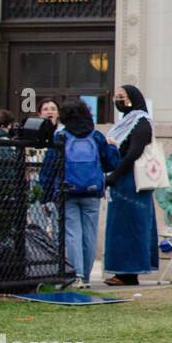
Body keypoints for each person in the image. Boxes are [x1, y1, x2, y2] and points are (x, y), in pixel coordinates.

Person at [40, 97, 114, 286]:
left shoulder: (61, 137)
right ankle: (86, 277)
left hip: (67, 192)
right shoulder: (95, 136)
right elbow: (110, 164)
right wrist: (112, 146)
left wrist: (45, 195)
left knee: (72, 233)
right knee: (89, 234)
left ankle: (76, 275)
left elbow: (49, 168)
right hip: (92, 192)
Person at [103, 85, 160, 285]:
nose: (118, 100)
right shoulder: (124, 122)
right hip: (121, 180)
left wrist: (115, 175)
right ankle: (123, 271)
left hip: (131, 181)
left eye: (122, 97)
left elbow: (134, 151)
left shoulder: (141, 121)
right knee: (119, 226)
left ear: (132, 98)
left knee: (131, 225)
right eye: (116, 97)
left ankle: (129, 271)